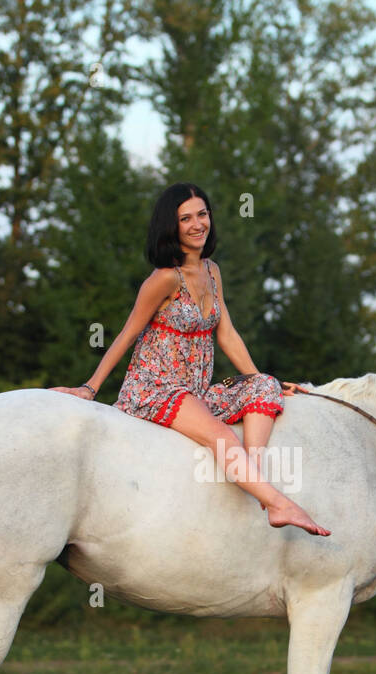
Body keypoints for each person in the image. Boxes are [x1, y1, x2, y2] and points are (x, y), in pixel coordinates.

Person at [51, 183, 331, 536]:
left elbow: (226, 333)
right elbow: (127, 333)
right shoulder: (164, 279)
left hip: (194, 392)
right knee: (220, 435)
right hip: (155, 388)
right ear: (172, 226)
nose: (198, 224)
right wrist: (90, 388)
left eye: (202, 214)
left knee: (265, 386)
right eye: (186, 218)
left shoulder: (212, 271)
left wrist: (261, 380)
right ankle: (278, 503)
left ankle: (253, 478)